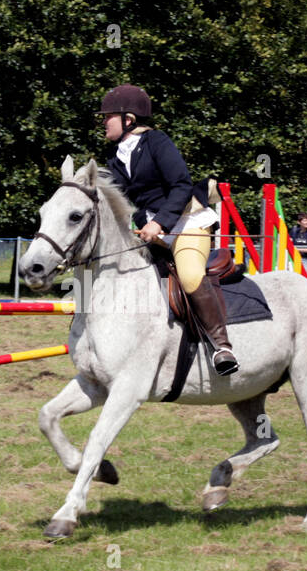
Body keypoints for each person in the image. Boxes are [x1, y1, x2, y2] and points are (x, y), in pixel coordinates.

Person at [98, 83, 237, 374]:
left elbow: (181, 185)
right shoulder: (114, 157)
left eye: (107, 116)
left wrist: (159, 222)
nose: (102, 121)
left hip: (186, 224)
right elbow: (120, 202)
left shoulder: (158, 142)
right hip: (149, 232)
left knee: (188, 276)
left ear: (129, 119)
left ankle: (222, 347)